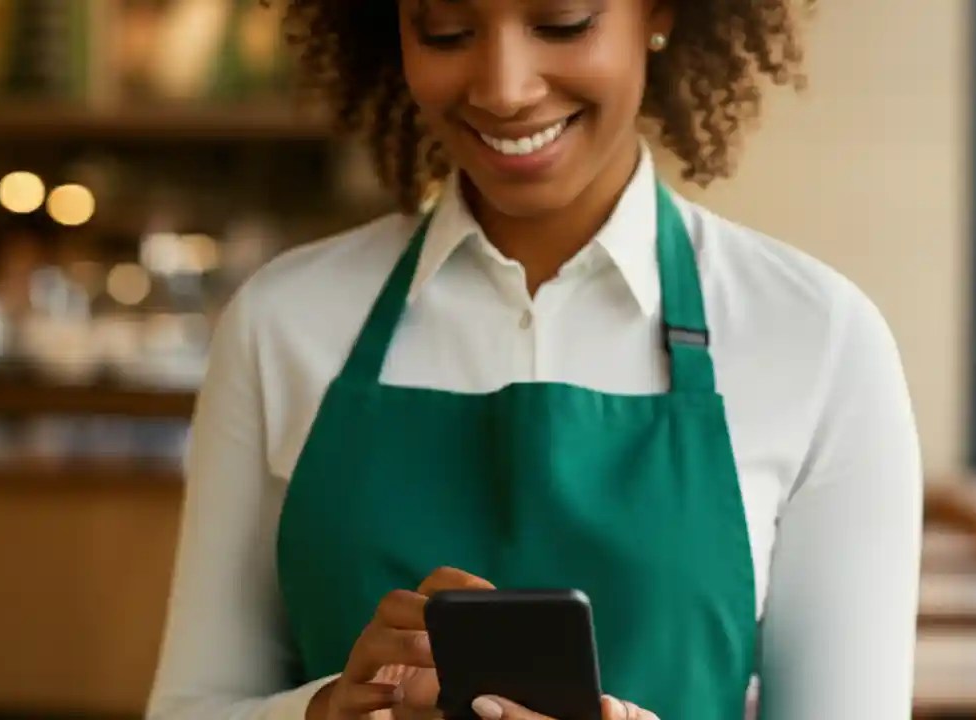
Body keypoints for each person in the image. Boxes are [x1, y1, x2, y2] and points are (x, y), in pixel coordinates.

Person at [147, 0, 922, 718]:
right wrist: (325, 710)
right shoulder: (280, 323)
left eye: (562, 21)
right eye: (446, 30)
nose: (505, 88)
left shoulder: (818, 339)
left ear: (658, 11)